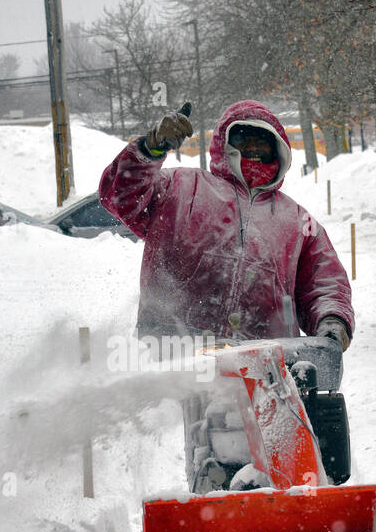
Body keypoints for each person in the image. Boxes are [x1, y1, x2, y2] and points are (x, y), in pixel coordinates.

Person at [98, 99, 354, 347]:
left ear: (277, 148)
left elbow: (325, 282)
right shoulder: (179, 188)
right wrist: (150, 148)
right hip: (171, 359)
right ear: (225, 143)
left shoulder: (298, 222)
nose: (253, 148)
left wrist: (333, 321)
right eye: (243, 138)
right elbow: (119, 195)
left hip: (268, 368)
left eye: (262, 140)